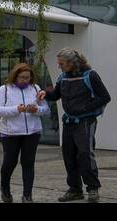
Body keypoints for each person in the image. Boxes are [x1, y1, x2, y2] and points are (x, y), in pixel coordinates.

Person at [38, 48, 110, 202]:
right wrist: (46, 94)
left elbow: (105, 97)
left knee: (85, 154)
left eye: (62, 63)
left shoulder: (90, 75)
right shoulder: (63, 77)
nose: (59, 66)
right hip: (68, 121)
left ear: (72, 63)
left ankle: (93, 188)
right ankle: (75, 189)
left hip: (85, 121)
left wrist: (85, 108)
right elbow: (56, 94)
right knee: (69, 155)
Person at [0, 62, 49, 203]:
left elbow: (46, 109)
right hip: (11, 133)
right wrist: (16, 109)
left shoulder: (35, 88)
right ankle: (5, 188)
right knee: (10, 162)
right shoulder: (4, 89)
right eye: (22, 77)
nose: (25, 80)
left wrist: (36, 110)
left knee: (28, 163)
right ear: (15, 76)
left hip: (33, 132)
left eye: (27, 77)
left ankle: (27, 195)